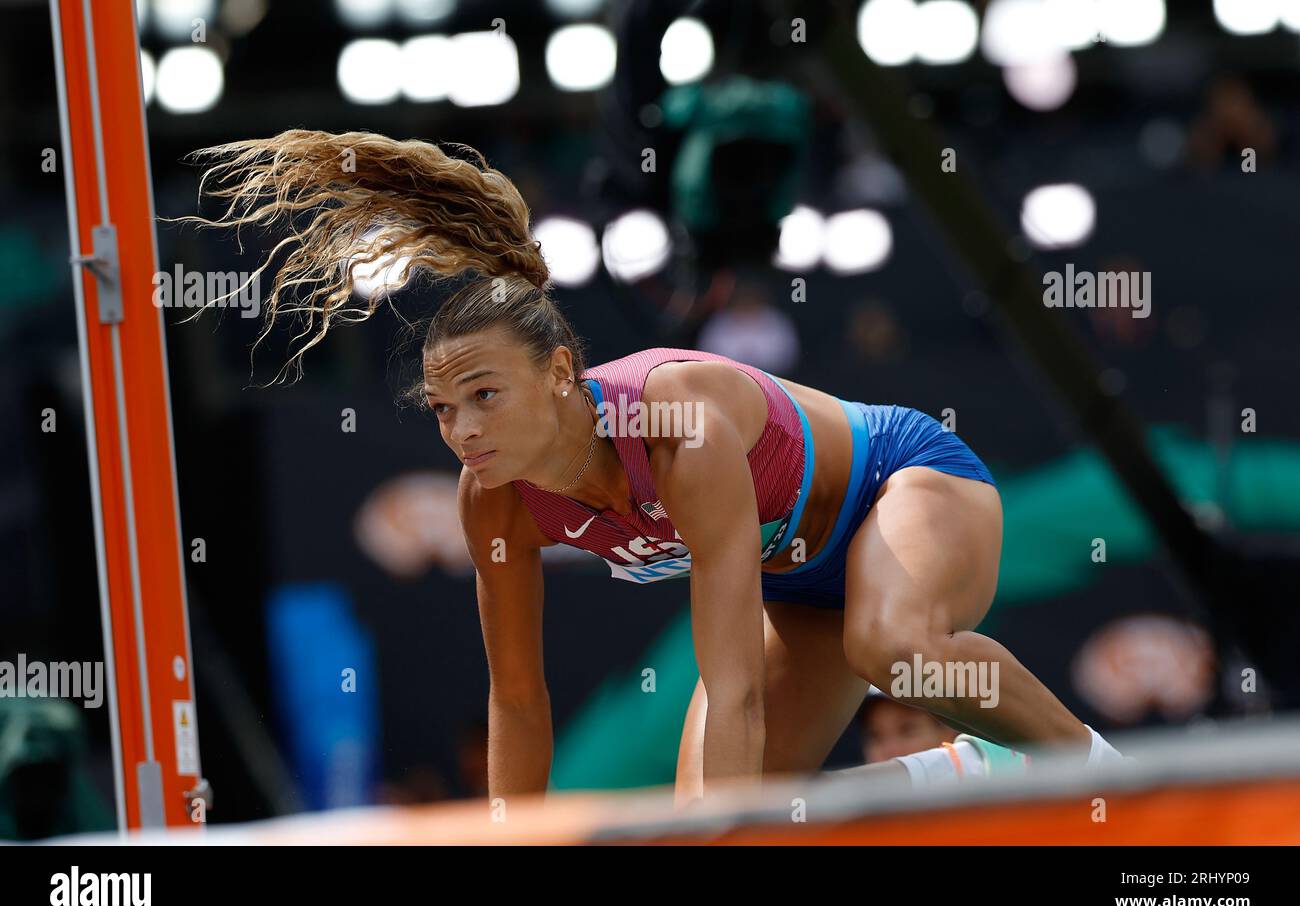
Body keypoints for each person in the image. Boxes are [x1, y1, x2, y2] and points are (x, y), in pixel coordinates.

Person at [184, 130, 1124, 806]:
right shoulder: (496, 503)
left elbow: (733, 680)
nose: (462, 431)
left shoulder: (677, 431)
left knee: (890, 647)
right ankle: (965, 774)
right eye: (442, 410)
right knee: (703, 827)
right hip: (800, 582)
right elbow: (516, 699)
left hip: (907, 483)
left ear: (561, 374)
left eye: (484, 396)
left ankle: (1100, 777)